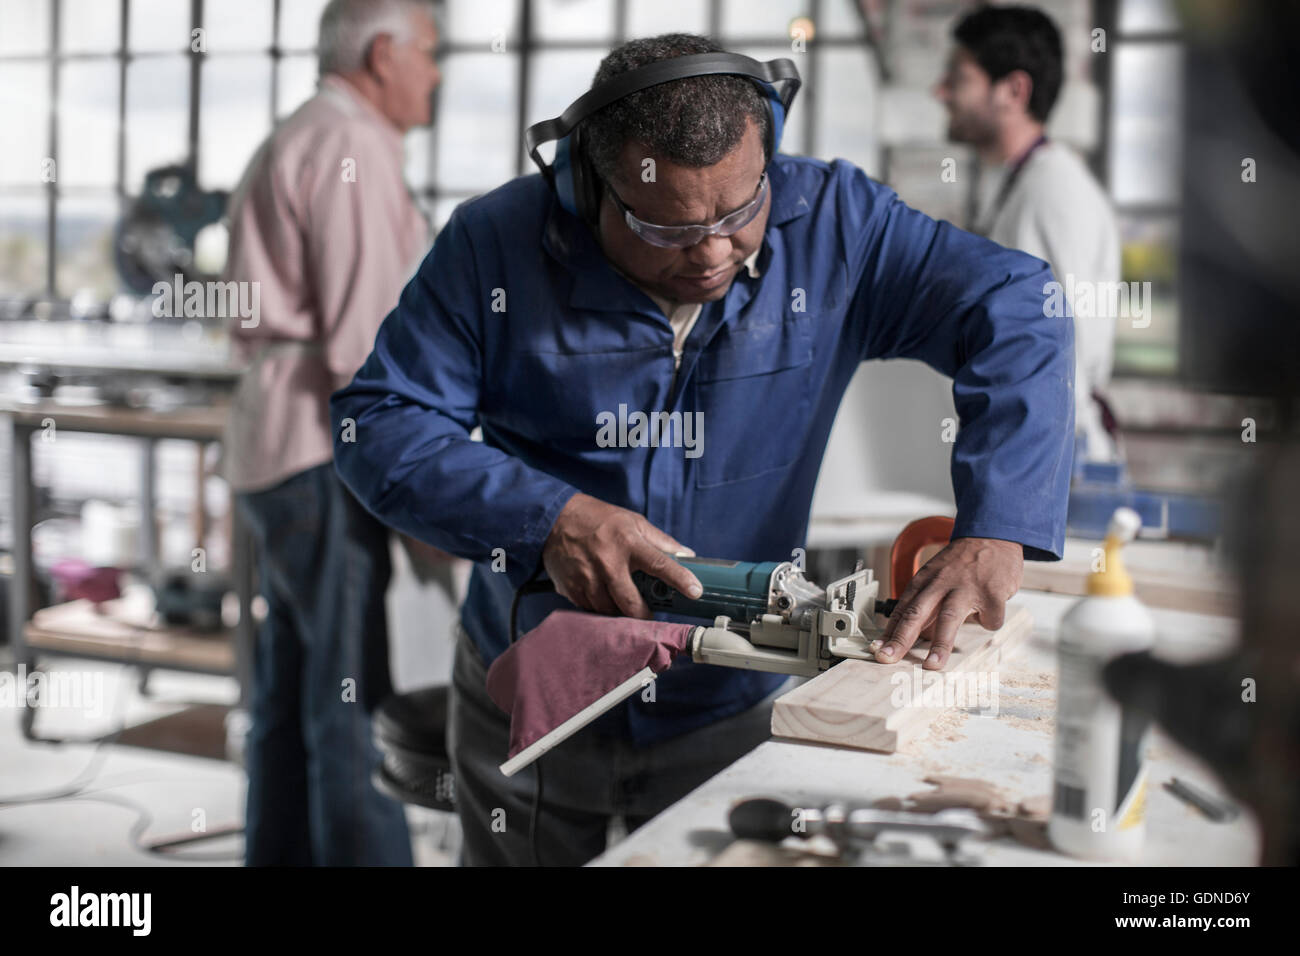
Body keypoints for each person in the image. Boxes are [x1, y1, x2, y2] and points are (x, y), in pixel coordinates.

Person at [332, 33, 1074, 866]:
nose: (716, 252)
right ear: (590, 184)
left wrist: (997, 524)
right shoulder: (494, 245)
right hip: (532, 690)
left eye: (739, 211)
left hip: (728, 705)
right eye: (670, 226)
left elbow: (1024, 303)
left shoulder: (836, 228)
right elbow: (379, 422)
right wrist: (550, 518)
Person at [222, 0, 439, 866]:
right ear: (384, 53)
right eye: (428, 52)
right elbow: (362, 348)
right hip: (322, 450)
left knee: (291, 688)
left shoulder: (307, 130)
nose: (435, 72)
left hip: (279, 445)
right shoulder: (350, 144)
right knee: (350, 697)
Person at [935, 4, 1121, 461]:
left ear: (1013, 90)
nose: (940, 92)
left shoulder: (1052, 190)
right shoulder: (1021, 184)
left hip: (1050, 461)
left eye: (958, 78)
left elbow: (1064, 352)